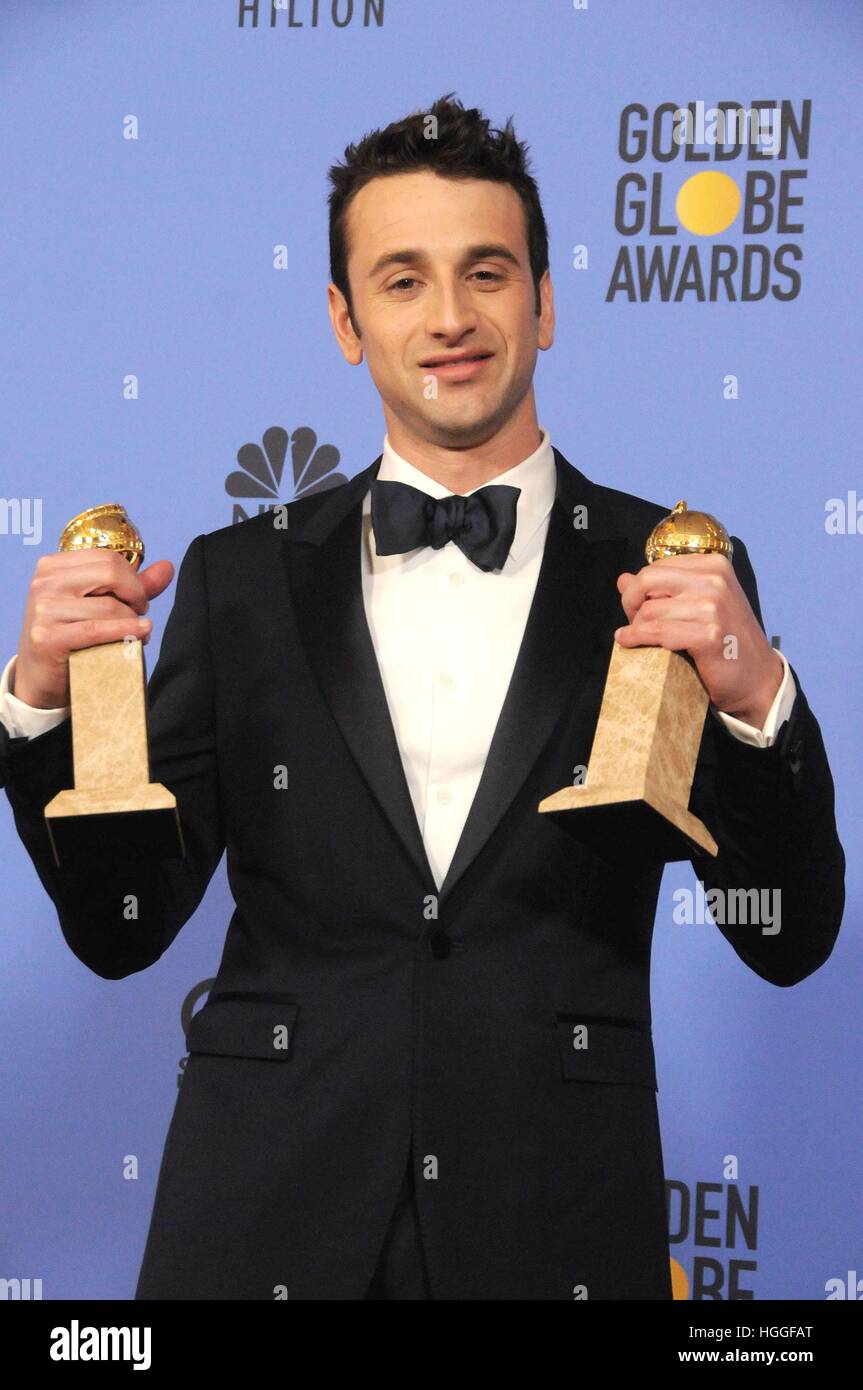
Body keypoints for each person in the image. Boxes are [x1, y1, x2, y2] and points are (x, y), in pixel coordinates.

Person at [0, 94, 844, 1300]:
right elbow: (122, 926)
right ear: (345, 320)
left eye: (485, 272)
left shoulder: (674, 571)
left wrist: (758, 696)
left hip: (553, 1220)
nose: (449, 318)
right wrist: (38, 709)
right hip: (259, 1220)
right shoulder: (241, 580)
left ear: (544, 303)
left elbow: (785, 936)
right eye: (401, 281)